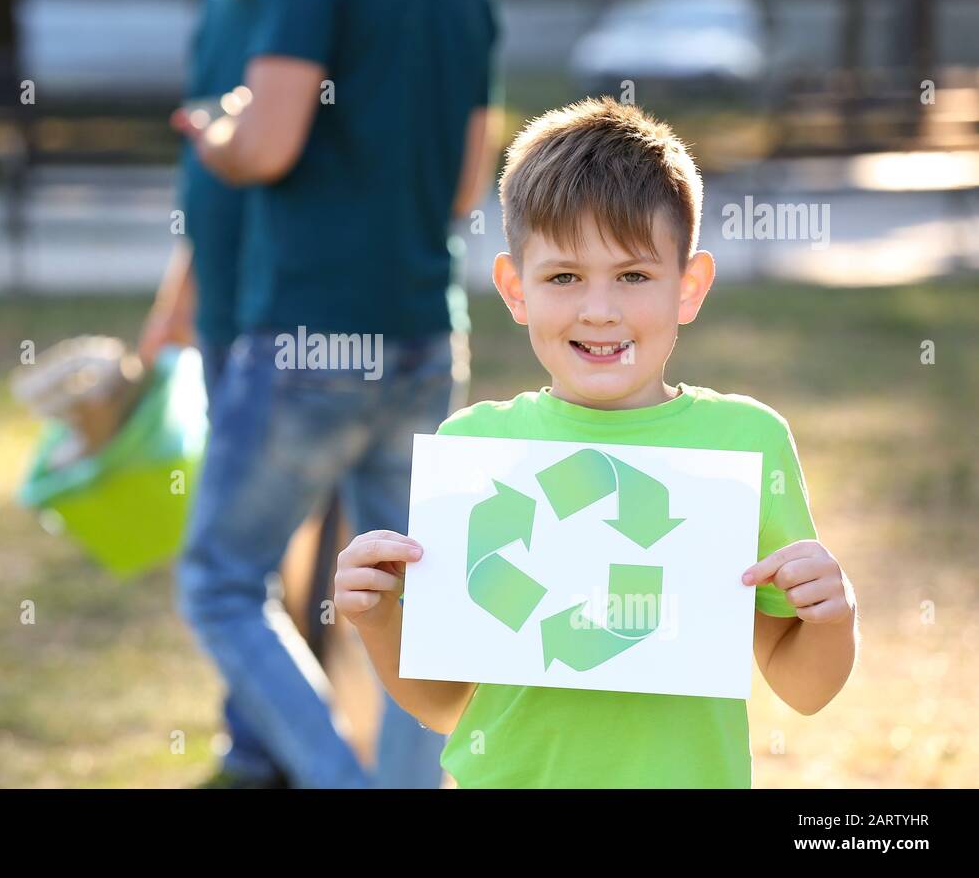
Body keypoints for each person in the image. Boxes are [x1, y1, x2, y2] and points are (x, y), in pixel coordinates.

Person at [335, 97, 860, 787]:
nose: (600, 309)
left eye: (634, 276)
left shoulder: (743, 447)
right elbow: (442, 705)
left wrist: (831, 615)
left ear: (689, 287)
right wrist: (376, 620)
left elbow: (803, 687)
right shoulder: (478, 450)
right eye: (563, 278)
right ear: (515, 289)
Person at [171, 0, 500, 787]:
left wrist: (218, 138)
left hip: (310, 331)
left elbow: (269, 143)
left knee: (221, 583)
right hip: (428, 330)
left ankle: (334, 778)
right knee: (416, 607)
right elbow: (468, 185)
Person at [140, 0, 291, 789]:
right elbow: (203, 166)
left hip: (282, 318)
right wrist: (176, 304)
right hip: (228, 317)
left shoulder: (292, 1)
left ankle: (265, 741)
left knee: (248, 545)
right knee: (252, 542)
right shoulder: (215, 10)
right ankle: (261, 732)